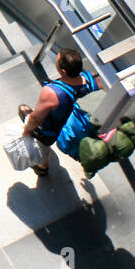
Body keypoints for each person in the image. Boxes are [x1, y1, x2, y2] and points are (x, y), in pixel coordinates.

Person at [16, 47, 101, 176]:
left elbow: (35, 119)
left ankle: (42, 167)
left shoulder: (51, 93)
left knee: (24, 110)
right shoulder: (94, 80)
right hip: (74, 125)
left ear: (63, 71)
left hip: (53, 129)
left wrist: (26, 132)